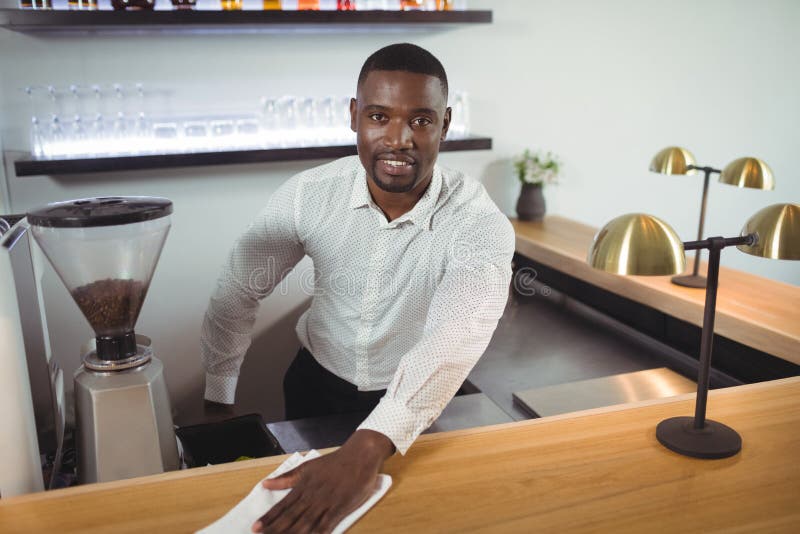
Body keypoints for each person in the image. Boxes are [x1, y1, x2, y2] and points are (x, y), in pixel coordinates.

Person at [200, 42, 515, 533]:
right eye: (379, 116)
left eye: (421, 121)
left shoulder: (479, 223)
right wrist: (218, 399)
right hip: (314, 390)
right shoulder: (308, 195)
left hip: (418, 407)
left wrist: (368, 445)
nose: (399, 139)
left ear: (446, 124)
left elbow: (454, 340)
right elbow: (238, 289)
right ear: (353, 116)